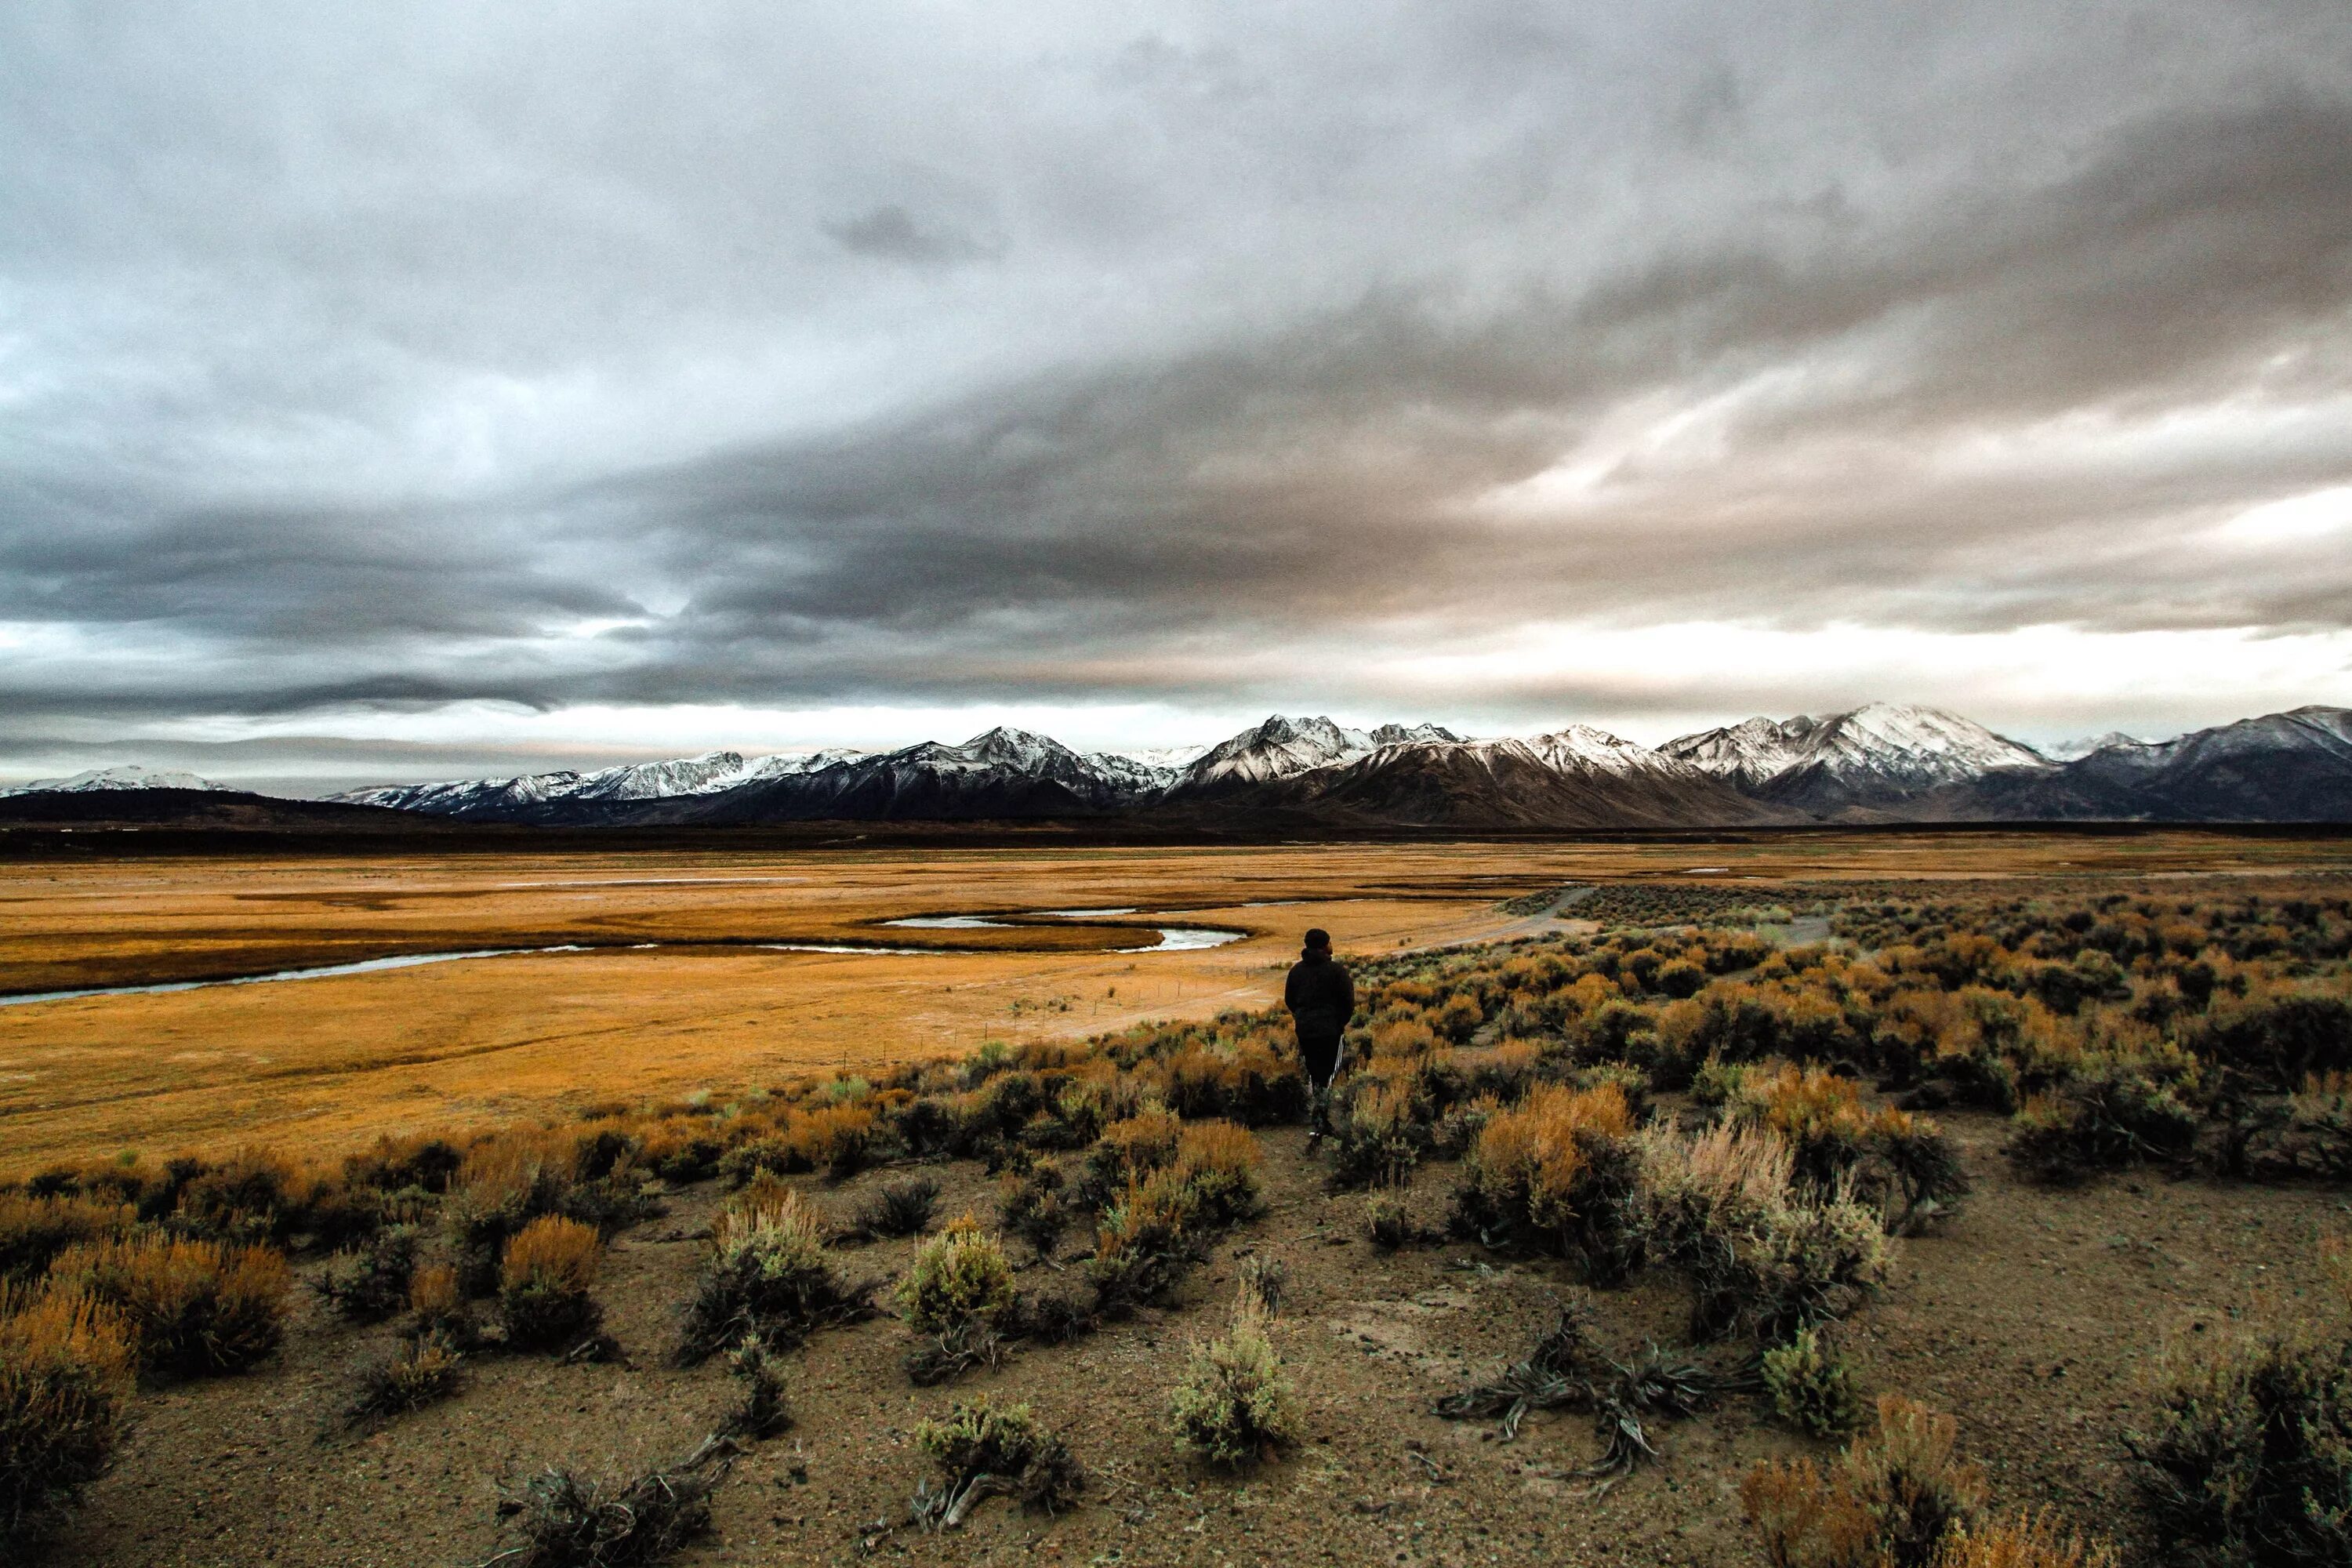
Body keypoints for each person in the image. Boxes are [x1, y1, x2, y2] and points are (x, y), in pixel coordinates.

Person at [1283, 927, 1355, 1141]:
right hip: (1330, 1031)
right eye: (1330, 942)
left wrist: (1302, 1018)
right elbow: (1348, 1003)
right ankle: (1321, 1118)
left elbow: (1290, 1000)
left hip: (1305, 1031)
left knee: (1315, 1071)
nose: (1332, 946)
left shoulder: (1296, 971)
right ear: (1324, 946)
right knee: (1330, 1073)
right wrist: (1338, 1023)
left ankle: (1319, 1115)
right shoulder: (1337, 971)